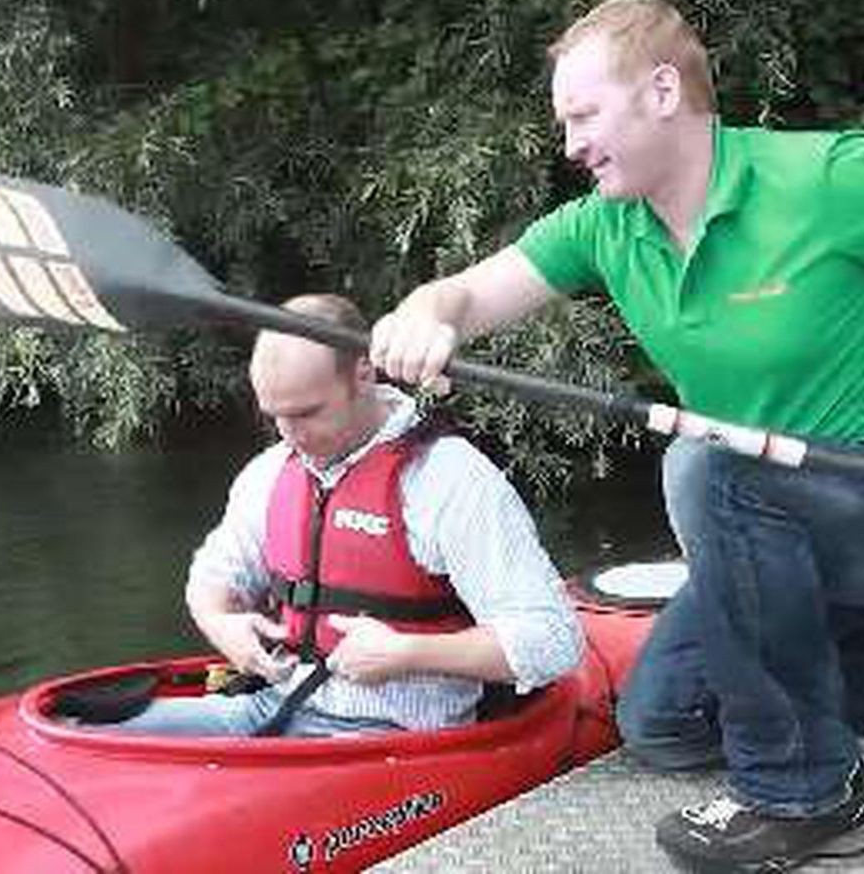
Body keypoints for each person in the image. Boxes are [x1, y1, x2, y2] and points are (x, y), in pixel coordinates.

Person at [369, 0, 864, 872]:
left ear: (664, 92)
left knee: (704, 470)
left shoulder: (826, 177)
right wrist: (425, 313)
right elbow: (470, 293)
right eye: (565, 122)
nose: (570, 144)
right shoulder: (605, 225)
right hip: (774, 527)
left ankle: (808, 796)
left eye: (585, 115)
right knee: (661, 724)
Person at [116, 293, 584, 738]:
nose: (289, 434)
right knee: (88, 730)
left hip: (396, 740)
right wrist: (225, 626)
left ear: (363, 373)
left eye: (307, 413)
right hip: (276, 708)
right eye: (274, 416)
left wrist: (407, 653)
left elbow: (553, 641)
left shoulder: (447, 479)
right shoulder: (271, 472)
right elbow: (211, 580)